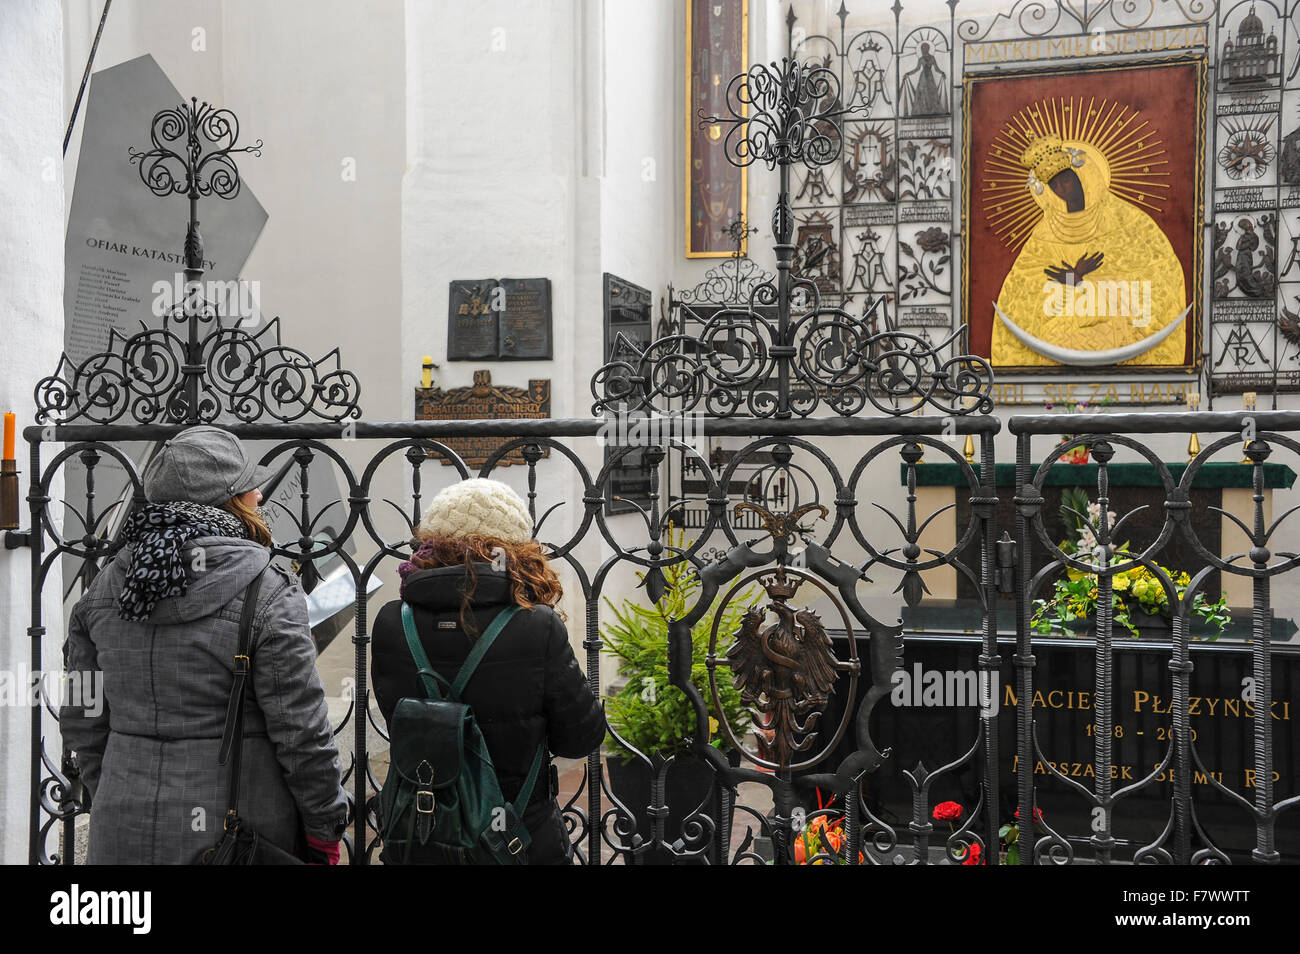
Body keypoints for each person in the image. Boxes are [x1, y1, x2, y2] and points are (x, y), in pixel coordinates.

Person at [60, 425, 350, 864]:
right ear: (231, 500)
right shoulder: (267, 589)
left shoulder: (104, 588)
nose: (261, 497)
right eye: (251, 488)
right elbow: (301, 732)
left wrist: (116, 791)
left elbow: (83, 719)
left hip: (122, 830)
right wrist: (325, 828)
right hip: (237, 837)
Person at [370, 478, 605, 864]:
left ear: (431, 541)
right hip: (513, 840)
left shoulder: (392, 621)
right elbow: (580, 739)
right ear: (515, 549)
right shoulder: (537, 626)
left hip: (423, 839)